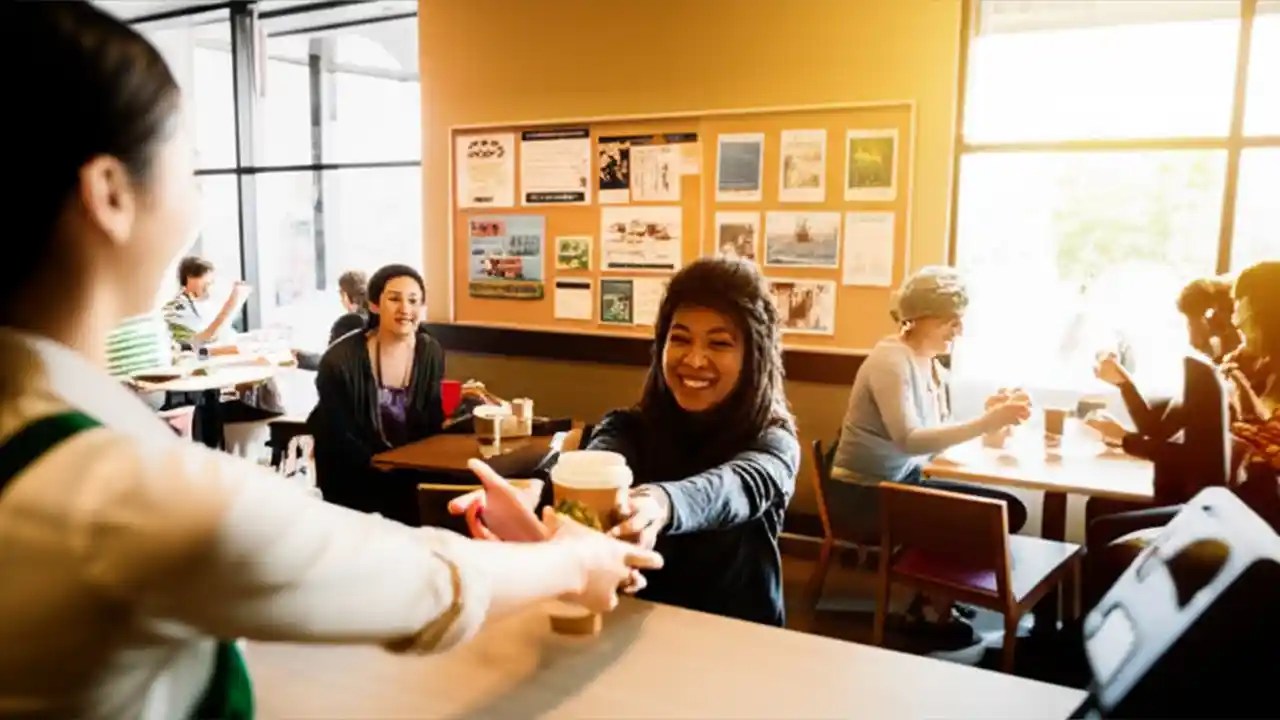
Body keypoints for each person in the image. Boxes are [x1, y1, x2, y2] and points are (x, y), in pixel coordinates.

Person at [0, 4, 660, 717]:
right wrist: (570, 556)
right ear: (110, 194)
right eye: (188, 166)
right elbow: (418, 582)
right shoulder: (123, 491)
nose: (198, 197)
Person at [452, 259, 800, 626]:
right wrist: (534, 489)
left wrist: (658, 504)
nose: (695, 359)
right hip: (634, 628)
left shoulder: (773, 442)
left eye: (719, 343)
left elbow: (731, 488)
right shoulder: (630, 427)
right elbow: (597, 462)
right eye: (680, 338)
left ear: (753, 357)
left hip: (738, 640)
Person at [827, 266, 1030, 645]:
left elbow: (936, 440)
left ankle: (936, 595)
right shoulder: (890, 361)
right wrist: (986, 422)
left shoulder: (931, 365)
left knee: (1008, 508)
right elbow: (910, 441)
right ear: (918, 318)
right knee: (987, 516)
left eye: (960, 321)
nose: (959, 331)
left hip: (900, 483)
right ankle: (929, 610)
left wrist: (996, 420)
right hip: (863, 495)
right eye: (951, 322)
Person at [308, 264, 445, 523]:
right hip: (352, 474)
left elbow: (430, 419)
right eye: (394, 299)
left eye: (413, 301)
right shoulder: (340, 360)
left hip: (410, 470)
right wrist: (380, 464)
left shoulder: (430, 352)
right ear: (373, 305)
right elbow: (337, 432)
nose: (405, 309)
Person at [163, 256, 252, 348]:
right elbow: (203, 338)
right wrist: (232, 303)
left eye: (211, 283)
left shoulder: (205, 304)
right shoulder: (175, 308)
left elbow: (222, 331)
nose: (209, 287)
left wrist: (237, 302)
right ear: (190, 278)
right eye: (207, 283)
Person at [295, 269, 370, 370]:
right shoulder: (376, 319)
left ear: (345, 295)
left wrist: (299, 357)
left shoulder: (350, 322)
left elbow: (330, 363)